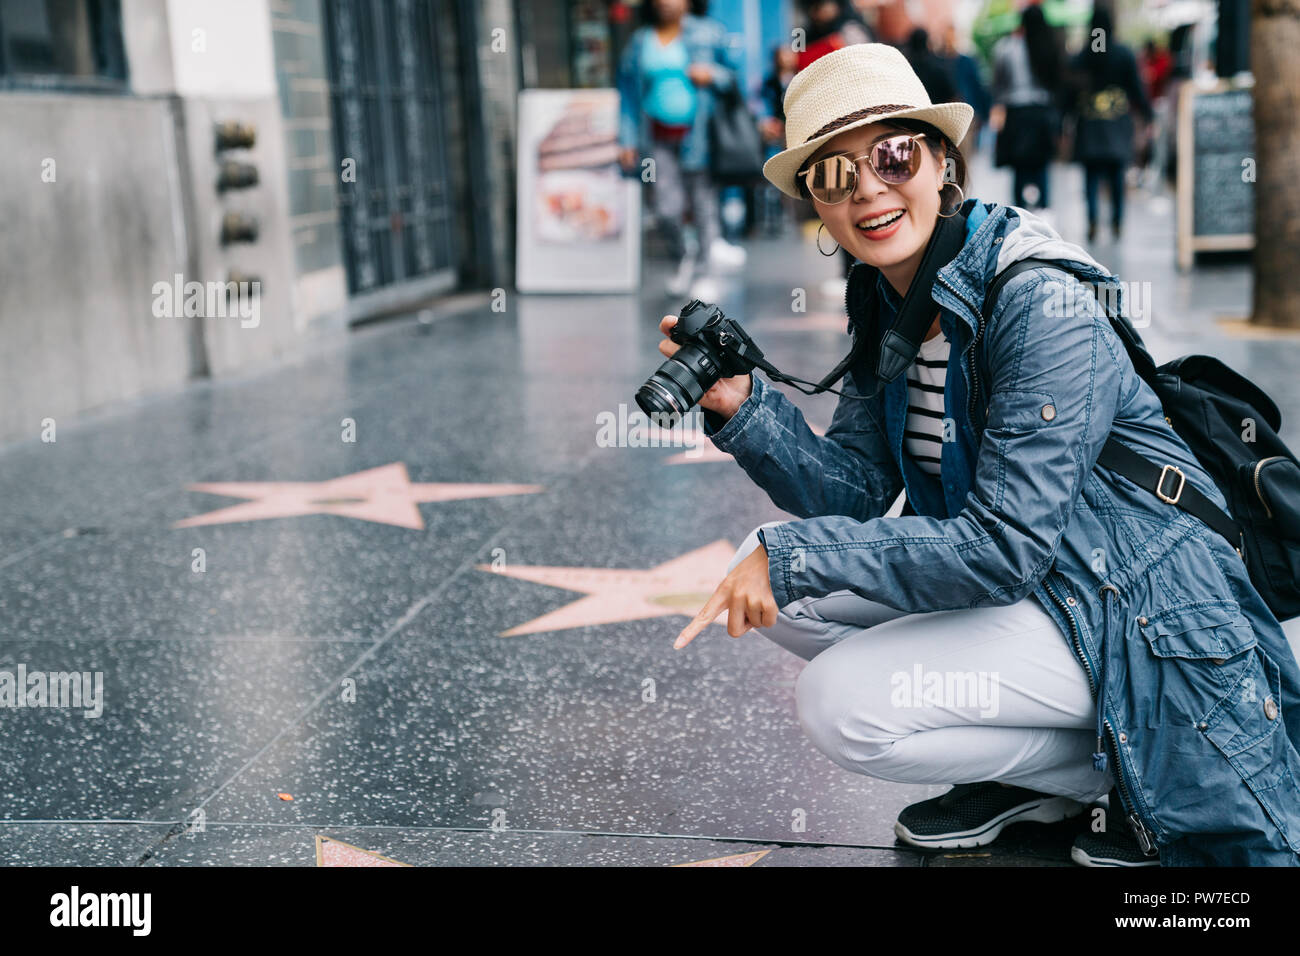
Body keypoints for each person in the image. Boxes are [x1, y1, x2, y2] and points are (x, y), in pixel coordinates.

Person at [657, 42, 1300, 866]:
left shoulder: (1039, 302)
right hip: (1039, 586)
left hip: (1133, 607)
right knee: (760, 569)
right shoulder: (888, 294)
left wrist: (797, 555)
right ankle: (1041, 776)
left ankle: (1117, 780)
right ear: (816, 202)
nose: (870, 191)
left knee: (840, 700)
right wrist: (745, 410)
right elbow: (853, 491)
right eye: (835, 176)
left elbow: (1003, 547)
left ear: (942, 161)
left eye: (893, 156)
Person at [617, 0, 746, 299]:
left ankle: (703, 272)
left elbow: (734, 78)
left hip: (698, 136)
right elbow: (627, 93)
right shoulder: (640, 42)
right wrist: (626, 139)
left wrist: (713, 74)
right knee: (665, 208)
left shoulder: (709, 33)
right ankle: (683, 257)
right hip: (656, 138)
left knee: (703, 205)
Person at [1067, 8, 1153, 241]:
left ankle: (1093, 220)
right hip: (1117, 124)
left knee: (1091, 177)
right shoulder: (1123, 54)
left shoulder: (1081, 56)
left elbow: (1068, 93)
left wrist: (1064, 119)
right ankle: (1117, 222)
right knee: (1117, 176)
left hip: (1089, 124)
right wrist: (1148, 114)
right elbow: (1137, 88)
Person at [990, 4, 1063, 210]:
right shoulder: (1049, 46)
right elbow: (1059, 83)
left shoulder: (1007, 48)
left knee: (1019, 166)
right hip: (1042, 113)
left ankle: (1019, 211)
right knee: (1042, 166)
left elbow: (998, 85)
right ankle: (1044, 208)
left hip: (1016, 114)